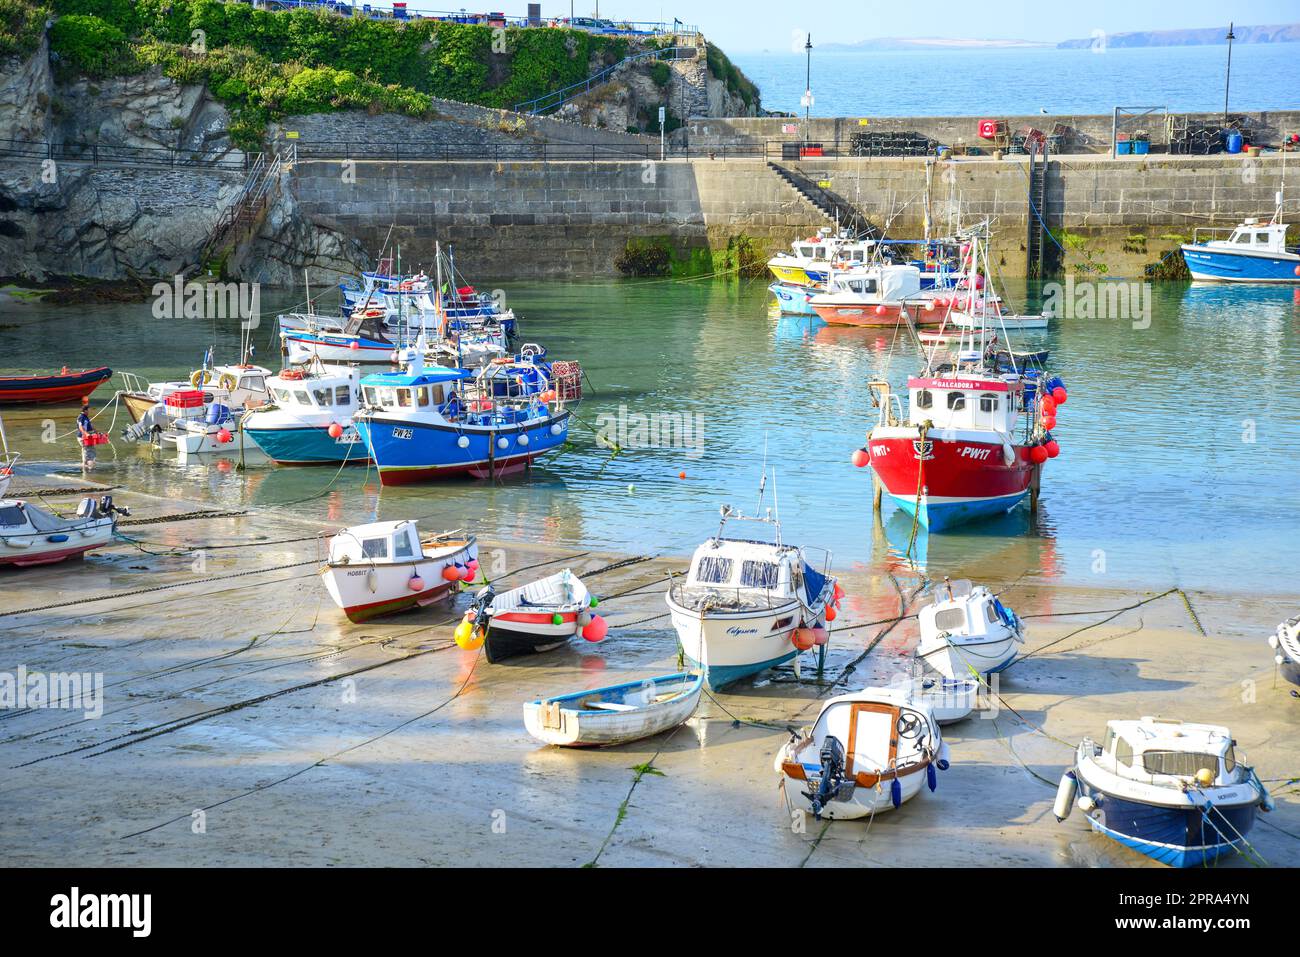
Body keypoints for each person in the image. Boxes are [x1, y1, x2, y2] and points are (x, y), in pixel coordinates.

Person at [76, 402, 96, 470]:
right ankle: (87, 466)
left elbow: (91, 426)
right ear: (85, 410)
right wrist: (86, 434)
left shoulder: (85, 417)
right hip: (83, 437)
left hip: (87, 436)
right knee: (87, 450)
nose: (89, 411)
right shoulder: (81, 417)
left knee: (89, 449)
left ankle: (86, 465)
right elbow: (80, 426)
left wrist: (97, 432)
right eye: (88, 410)